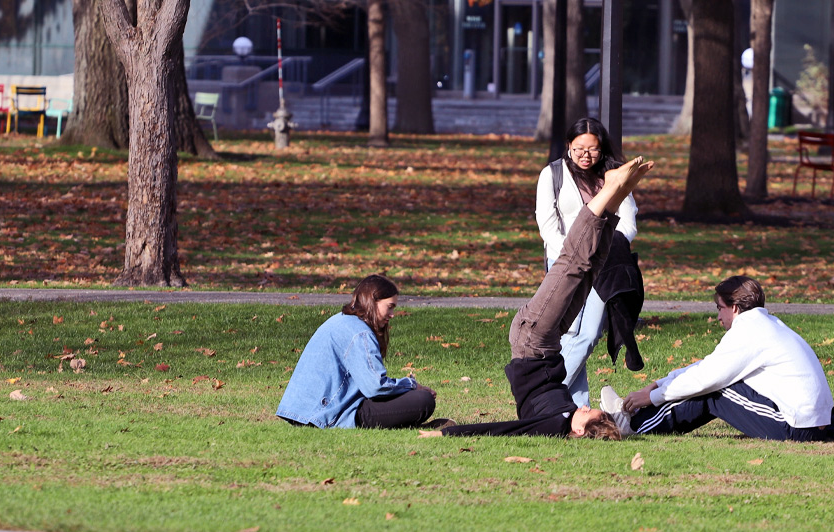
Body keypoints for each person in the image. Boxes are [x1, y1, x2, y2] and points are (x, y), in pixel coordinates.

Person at [421, 156, 655, 440]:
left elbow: (503, 429)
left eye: (586, 412)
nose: (583, 406)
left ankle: (609, 189)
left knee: (572, 263)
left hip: (532, 340)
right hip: (549, 344)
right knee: (592, 268)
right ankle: (619, 193)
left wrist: (447, 434)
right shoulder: (569, 420)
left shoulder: (552, 426)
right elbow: (606, 429)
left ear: (579, 430)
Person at [601, 276, 834, 441]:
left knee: (715, 392)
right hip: (811, 423)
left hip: (797, 427)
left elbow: (707, 379)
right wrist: (657, 385)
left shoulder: (750, 330)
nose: (718, 316)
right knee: (713, 383)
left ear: (735, 308)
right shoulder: (765, 324)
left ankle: (634, 424)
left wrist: (652, 397)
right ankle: (636, 415)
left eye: (720, 308)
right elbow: (708, 366)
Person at [535, 117, 640, 407]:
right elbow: (547, 225)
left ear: (602, 148)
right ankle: (575, 407)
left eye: (592, 149)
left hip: (603, 263)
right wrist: (572, 255)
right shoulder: (552, 174)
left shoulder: (615, 176)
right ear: (569, 146)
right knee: (568, 332)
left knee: (589, 332)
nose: (585, 155)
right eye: (579, 148)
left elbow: (628, 221)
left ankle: (544, 396)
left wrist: (605, 247)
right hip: (563, 261)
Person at [276, 274, 445, 429]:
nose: (392, 314)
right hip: (323, 413)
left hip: (301, 410)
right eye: (390, 307)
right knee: (423, 401)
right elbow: (375, 387)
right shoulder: (360, 333)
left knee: (408, 398)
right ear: (373, 301)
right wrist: (411, 385)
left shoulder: (341, 320)